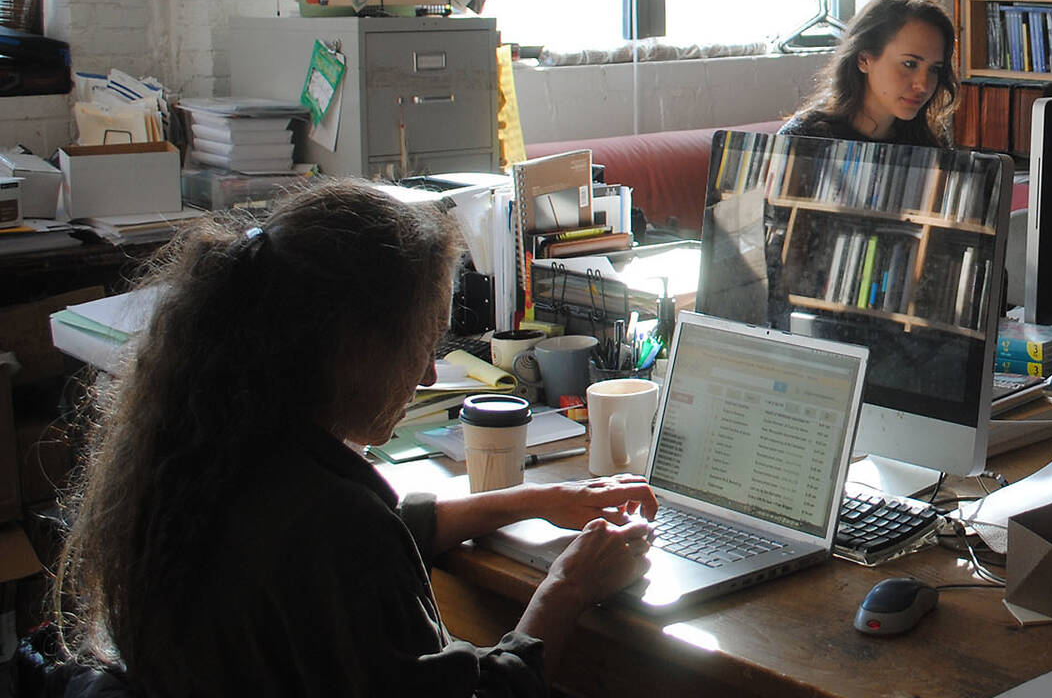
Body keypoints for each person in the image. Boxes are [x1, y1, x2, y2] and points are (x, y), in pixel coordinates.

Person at [52, 180, 657, 697]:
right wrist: (569, 586)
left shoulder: (205, 451)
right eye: (422, 346)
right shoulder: (331, 525)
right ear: (353, 348)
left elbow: (381, 531)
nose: (426, 375)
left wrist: (535, 500)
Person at [779, 0, 957, 146]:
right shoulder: (803, 139)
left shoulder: (930, 142)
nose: (923, 85)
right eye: (909, 64)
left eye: (934, 69)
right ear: (863, 60)